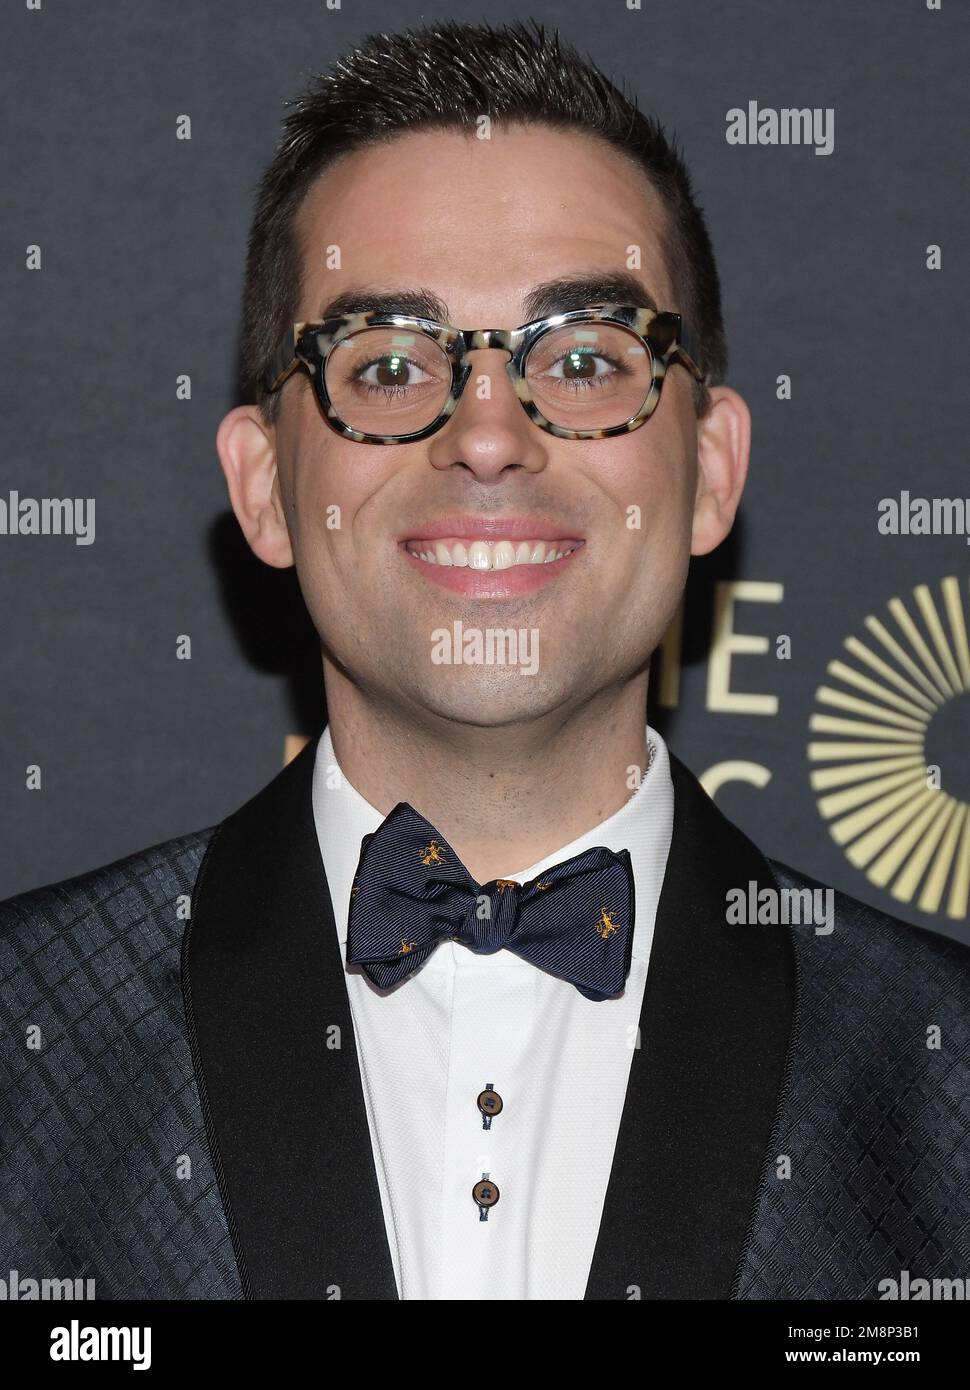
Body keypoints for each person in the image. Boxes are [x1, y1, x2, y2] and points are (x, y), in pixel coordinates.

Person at [2, 18, 969, 1303]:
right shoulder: (27, 1045)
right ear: (266, 488)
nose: (490, 433)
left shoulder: (940, 1073)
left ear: (712, 469)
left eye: (580, 359)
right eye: (390, 363)